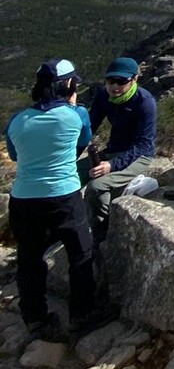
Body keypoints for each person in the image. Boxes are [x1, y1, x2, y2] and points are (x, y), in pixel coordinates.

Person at [4, 59, 103, 340]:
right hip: (63, 196)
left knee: (29, 257)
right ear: (68, 84)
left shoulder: (17, 121)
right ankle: (82, 314)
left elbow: (14, 155)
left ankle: (35, 318)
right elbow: (81, 144)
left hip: (23, 198)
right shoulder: (77, 115)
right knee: (80, 253)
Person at [82, 55, 157, 242]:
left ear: (134, 79)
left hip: (140, 156)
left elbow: (143, 144)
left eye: (121, 81)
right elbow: (90, 127)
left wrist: (112, 165)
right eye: (110, 80)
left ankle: (101, 234)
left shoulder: (145, 103)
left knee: (96, 187)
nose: (114, 86)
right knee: (70, 175)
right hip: (113, 149)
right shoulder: (103, 96)